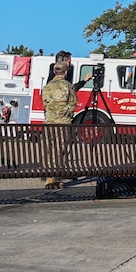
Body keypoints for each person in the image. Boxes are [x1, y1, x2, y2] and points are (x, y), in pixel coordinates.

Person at [41, 60, 79, 189]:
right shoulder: (68, 86)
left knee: (47, 148)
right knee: (59, 149)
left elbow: (45, 104)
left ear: (54, 71)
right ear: (66, 72)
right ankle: (53, 177)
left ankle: (47, 174)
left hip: (49, 122)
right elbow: (73, 103)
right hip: (63, 122)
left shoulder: (47, 86)